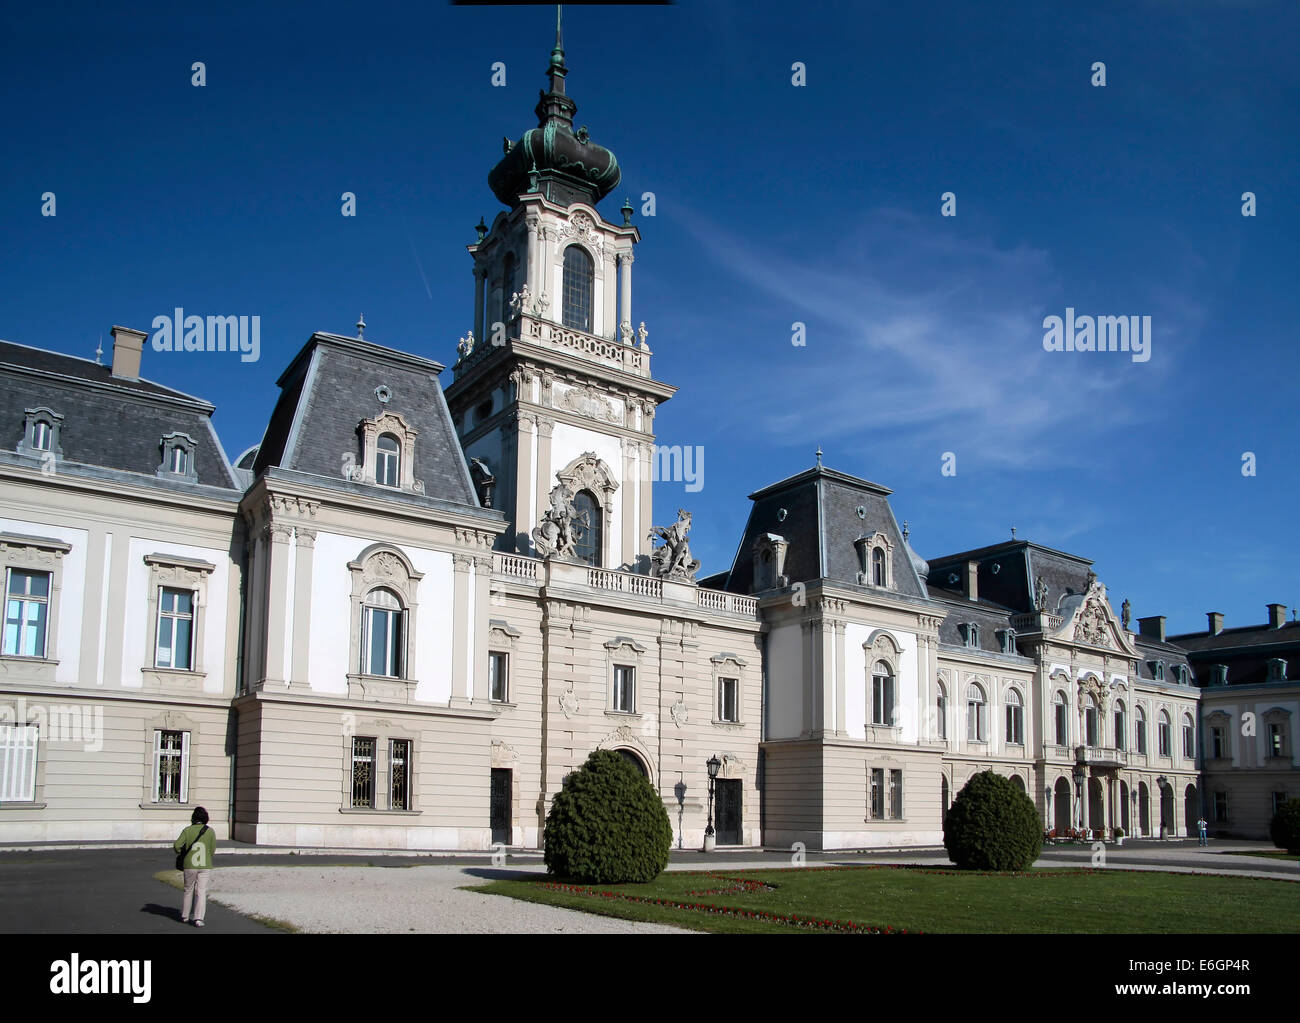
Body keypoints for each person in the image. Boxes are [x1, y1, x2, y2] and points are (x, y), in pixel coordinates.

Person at [173, 806, 216, 927]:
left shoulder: (187, 830)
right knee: (201, 891)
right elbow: (212, 850)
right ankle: (199, 918)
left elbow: (177, 845)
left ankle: (185, 915)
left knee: (188, 889)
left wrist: (181, 851)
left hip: (189, 864)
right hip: (205, 864)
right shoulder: (210, 831)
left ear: (193, 818)